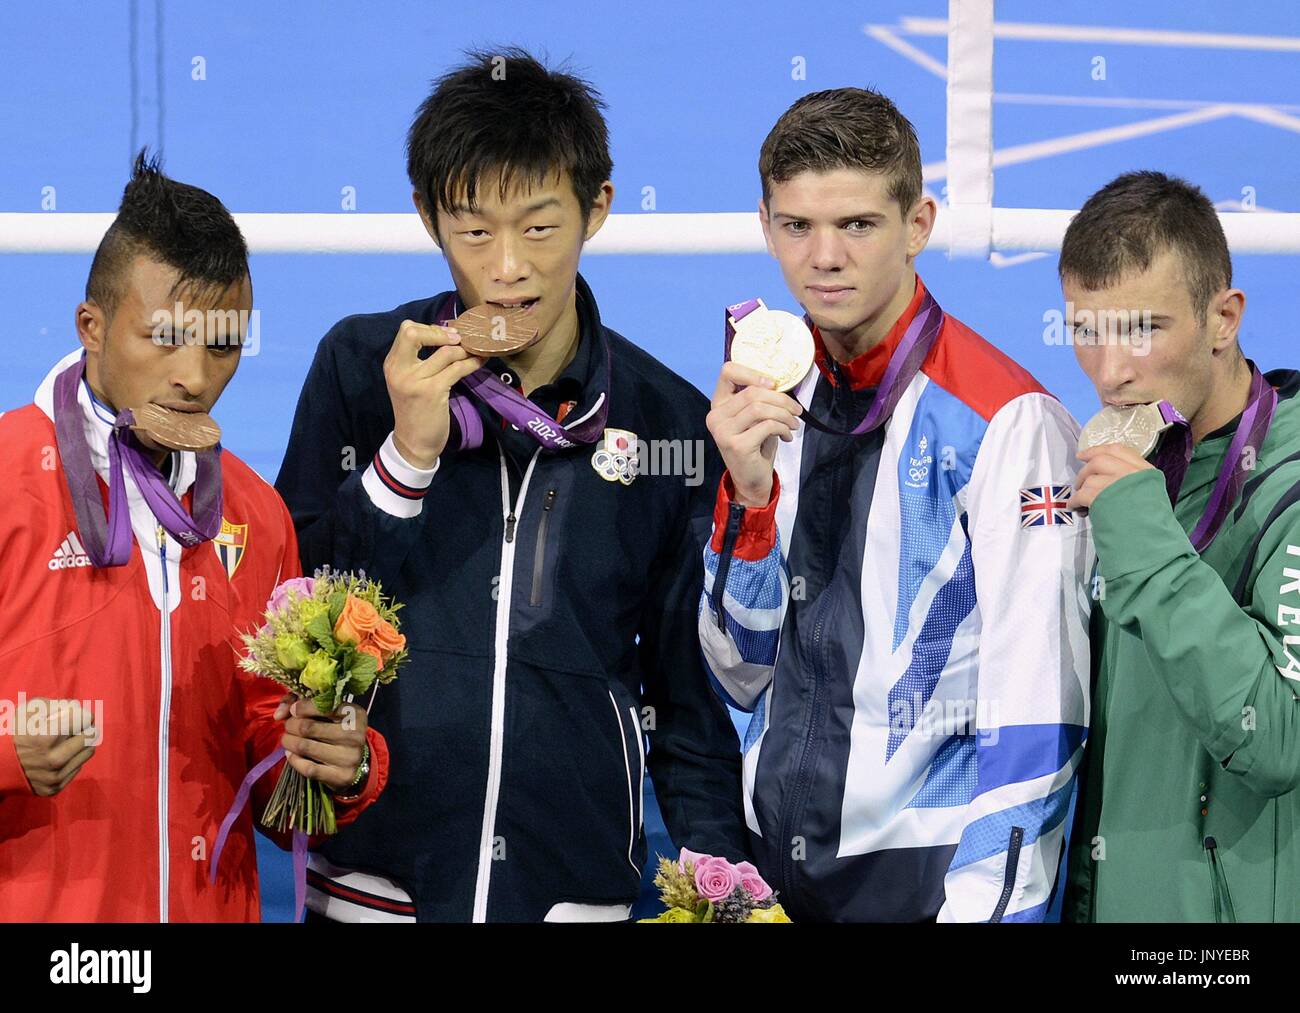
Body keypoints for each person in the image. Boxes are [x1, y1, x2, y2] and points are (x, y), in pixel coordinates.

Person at [275, 48, 748, 923]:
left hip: (576, 897)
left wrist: (724, 883)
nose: (506, 268)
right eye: (474, 229)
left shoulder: (671, 422)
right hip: (375, 893)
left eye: (538, 227)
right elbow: (294, 614)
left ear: (597, 208)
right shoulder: (358, 369)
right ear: (426, 217)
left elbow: (688, 698)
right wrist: (405, 461)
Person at [699, 88, 1093, 922]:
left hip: (933, 885)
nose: (825, 256)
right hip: (776, 880)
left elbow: (1039, 715)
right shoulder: (768, 392)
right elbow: (739, 670)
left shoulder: (1008, 420)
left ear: (918, 224)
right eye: (797, 226)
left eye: (858, 225)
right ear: (765, 225)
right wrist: (750, 496)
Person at [0, 153, 386, 922]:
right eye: (166, 337)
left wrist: (333, 768)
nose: (194, 375)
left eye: (222, 343)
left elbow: (276, 790)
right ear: (92, 326)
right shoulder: (9, 477)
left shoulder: (257, 513)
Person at [1061, 171, 1300, 922]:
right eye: (1086, 329)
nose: (1110, 371)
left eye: (1143, 329)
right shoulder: (1130, 463)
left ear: (1223, 318)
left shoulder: (1287, 478)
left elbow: (1279, 736)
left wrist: (1142, 534)